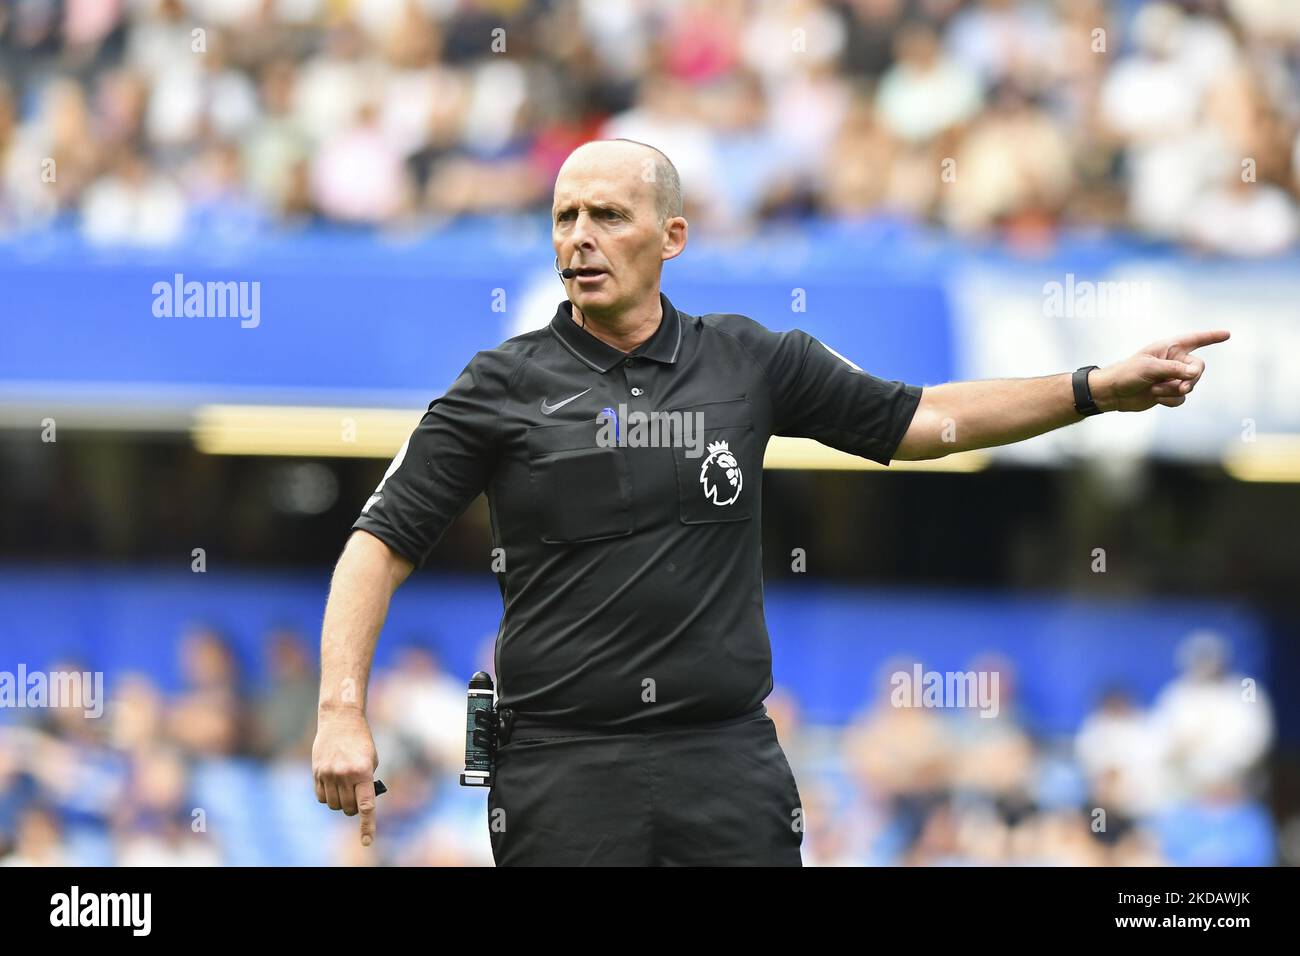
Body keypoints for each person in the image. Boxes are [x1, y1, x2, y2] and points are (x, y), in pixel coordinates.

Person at [312, 138, 1228, 866]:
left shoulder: (752, 362)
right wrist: (341, 710)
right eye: (564, 217)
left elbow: (927, 417)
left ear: (671, 236)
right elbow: (376, 542)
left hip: (726, 762)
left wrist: (1092, 387)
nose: (579, 237)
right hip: (561, 767)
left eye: (608, 215)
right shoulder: (499, 385)